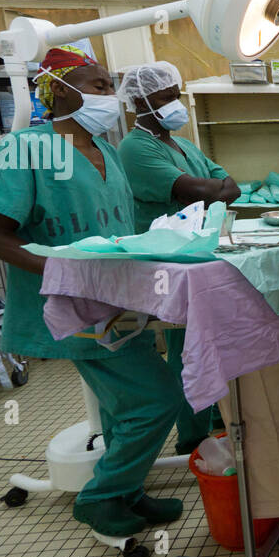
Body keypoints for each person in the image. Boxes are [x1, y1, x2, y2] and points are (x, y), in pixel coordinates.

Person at [0, 45, 185, 538]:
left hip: (118, 300)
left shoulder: (107, 151)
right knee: (158, 399)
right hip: (72, 305)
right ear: (60, 90)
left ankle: (128, 490)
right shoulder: (28, 148)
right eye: (98, 85)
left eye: (111, 86)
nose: (111, 95)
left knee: (122, 407)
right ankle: (101, 496)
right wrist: (64, 272)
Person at [117, 62, 240, 453]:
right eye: (166, 97)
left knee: (209, 341)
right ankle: (192, 437)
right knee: (188, 349)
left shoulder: (183, 146)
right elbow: (196, 190)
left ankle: (217, 417)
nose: (176, 104)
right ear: (140, 102)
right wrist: (210, 189)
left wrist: (210, 190)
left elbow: (231, 187)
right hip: (167, 265)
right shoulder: (135, 148)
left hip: (196, 259)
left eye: (176, 95)